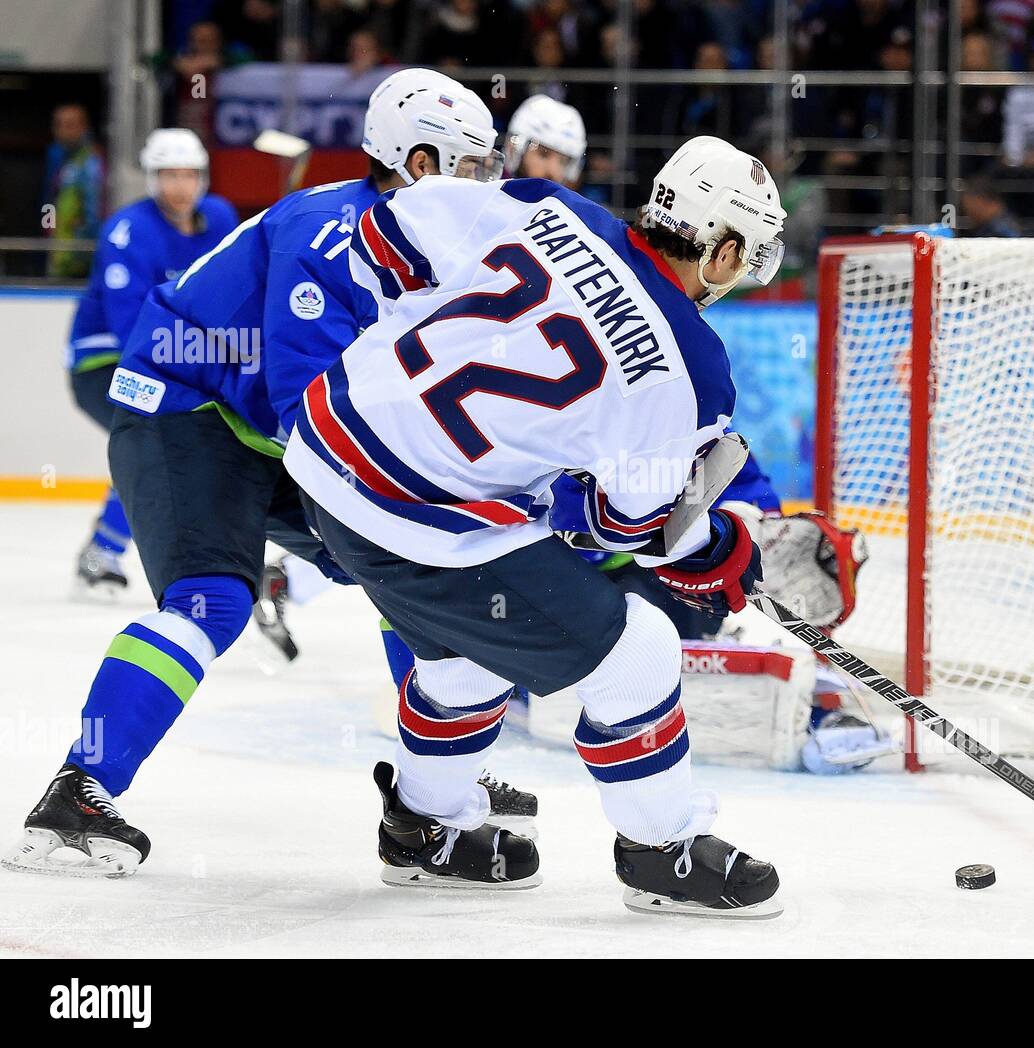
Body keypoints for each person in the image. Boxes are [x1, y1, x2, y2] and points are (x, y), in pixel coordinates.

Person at [1, 70, 531, 880]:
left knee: (411, 573)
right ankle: (79, 789)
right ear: (420, 162)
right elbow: (306, 404)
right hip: (187, 408)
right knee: (212, 600)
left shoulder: (428, 251)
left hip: (259, 429)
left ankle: (437, 783)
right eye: (469, 164)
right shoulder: (334, 234)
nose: (485, 184)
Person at [284, 135, 788, 916]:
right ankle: (663, 849)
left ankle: (423, 829)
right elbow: (634, 526)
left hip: (325, 455)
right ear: (721, 252)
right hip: (418, 518)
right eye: (747, 255)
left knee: (471, 657)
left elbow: (387, 233)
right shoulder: (691, 364)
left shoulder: (547, 205)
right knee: (640, 652)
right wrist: (716, 551)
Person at [69, 129, 239, 595]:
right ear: (151, 178)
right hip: (105, 363)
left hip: (178, 362)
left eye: (189, 175)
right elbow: (130, 329)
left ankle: (104, 550)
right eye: (169, 176)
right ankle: (102, 551)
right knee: (159, 444)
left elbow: (235, 289)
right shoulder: (128, 231)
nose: (180, 187)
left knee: (170, 448)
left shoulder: (221, 217)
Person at [43, 104, 104, 279]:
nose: (63, 131)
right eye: (58, 125)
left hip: (81, 261)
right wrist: (48, 231)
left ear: (84, 127)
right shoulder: (57, 158)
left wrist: (84, 253)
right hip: (58, 254)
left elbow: (94, 213)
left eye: (70, 125)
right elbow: (49, 202)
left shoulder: (91, 162)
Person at [502, 94, 587, 188]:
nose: (553, 171)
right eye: (543, 154)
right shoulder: (487, 195)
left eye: (563, 161)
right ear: (514, 147)